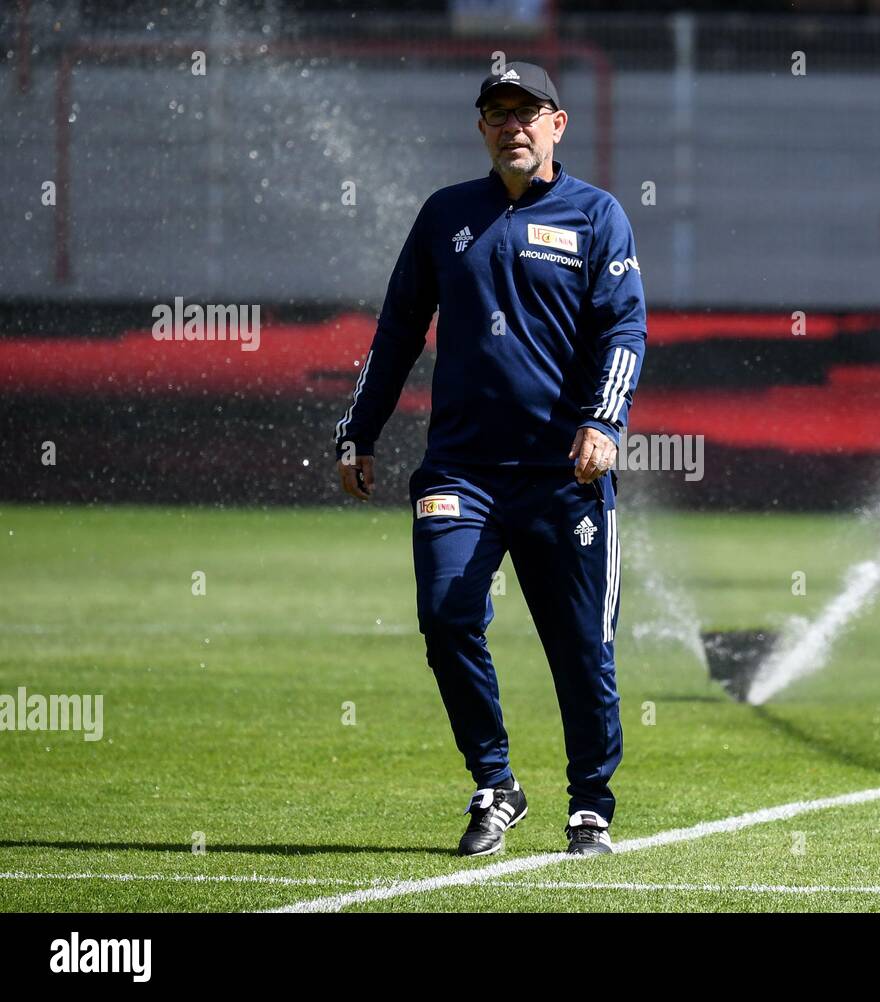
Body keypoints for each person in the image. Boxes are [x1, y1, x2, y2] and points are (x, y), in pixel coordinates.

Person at [333, 62, 646, 857]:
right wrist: (358, 429)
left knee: (579, 646)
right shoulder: (446, 215)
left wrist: (604, 421)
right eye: (496, 113)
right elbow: (398, 330)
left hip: (563, 478)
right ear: (481, 128)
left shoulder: (597, 216)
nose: (512, 125)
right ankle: (496, 782)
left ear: (557, 124)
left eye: (527, 111)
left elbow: (624, 331)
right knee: (445, 618)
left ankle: (590, 805)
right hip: (460, 472)